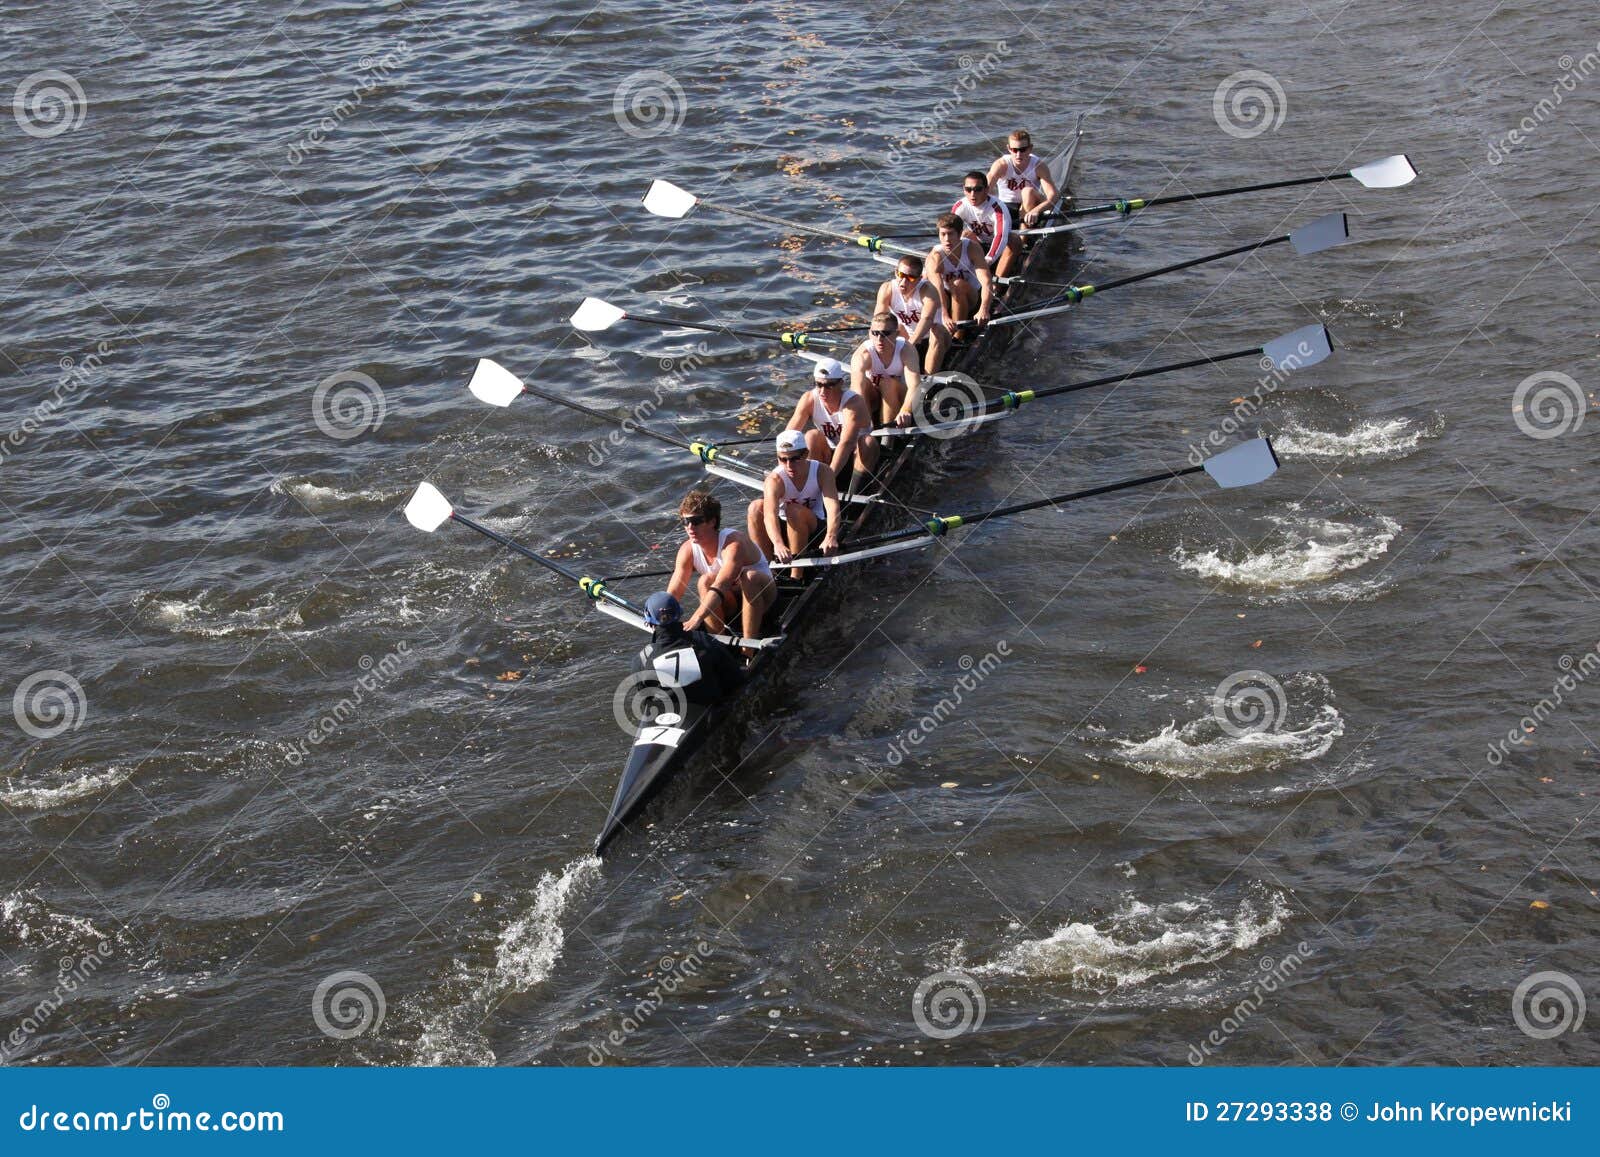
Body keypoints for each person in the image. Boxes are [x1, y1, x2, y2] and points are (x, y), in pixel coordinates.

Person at [667, 489, 776, 648]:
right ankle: (719, 647)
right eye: (685, 522)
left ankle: (748, 650)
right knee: (704, 581)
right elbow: (674, 592)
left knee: (749, 576)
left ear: (712, 521)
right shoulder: (687, 550)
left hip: (764, 597)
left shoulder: (733, 543)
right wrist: (661, 616)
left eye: (696, 521)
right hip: (732, 604)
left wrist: (697, 618)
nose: (690, 527)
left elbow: (722, 584)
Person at [747, 430, 842, 579]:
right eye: (783, 459)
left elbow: (833, 507)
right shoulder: (774, 480)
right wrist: (778, 543)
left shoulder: (822, 471)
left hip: (814, 527)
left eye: (794, 459)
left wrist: (831, 536)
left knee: (793, 511)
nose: (789, 465)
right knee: (755, 507)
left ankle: (796, 575)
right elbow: (769, 516)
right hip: (786, 528)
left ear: (805, 454)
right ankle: (767, 571)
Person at [631, 591, 745, 704]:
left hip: (670, 716)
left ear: (649, 623)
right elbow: (736, 679)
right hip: (711, 710)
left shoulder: (641, 660)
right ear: (679, 614)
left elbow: (645, 700)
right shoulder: (704, 641)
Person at [783, 357, 879, 481]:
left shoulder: (853, 403)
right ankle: (809, 483)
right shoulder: (808, 399)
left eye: (829, 385)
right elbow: (788, 437)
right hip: (830, 453)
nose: (823, 391)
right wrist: (782, 474)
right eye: (819, 384)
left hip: (857, 455)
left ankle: (858, 488)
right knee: (811, 436)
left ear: (840, 384)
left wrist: (829, 479)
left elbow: (846, 443)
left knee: (868, 442)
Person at [873, 254, 950, 373]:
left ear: (919, 279)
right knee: (892, 329)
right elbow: (877, 322)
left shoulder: (928, 291)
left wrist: (909, 345)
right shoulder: (887, 289)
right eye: (901, 275)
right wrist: (874, 348)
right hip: (908, 338)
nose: (904, 282)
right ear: (895, 272)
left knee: (936, 330)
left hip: (933, 339)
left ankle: (927, 380)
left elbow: (927, 319)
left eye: (910, 278)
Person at [850, 310, 923, 428]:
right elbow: (856, 387)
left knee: (887, 383)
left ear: (896, 334)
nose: (879, 339)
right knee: (863, 383)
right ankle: (865, 428)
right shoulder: (863, 354)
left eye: (885, 333)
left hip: (900, 397)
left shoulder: (906, 350)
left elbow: (915, 386)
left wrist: (905, 410)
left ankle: (888, 438)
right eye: (875, 333)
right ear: (869, 333)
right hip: (875, 398)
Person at [924, 212, 994, 333]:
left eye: (950, 234)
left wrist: (984, 308)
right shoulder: (935, 257)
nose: (946, 240)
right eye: (943, 234)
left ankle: (957, 335)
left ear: (960, 234)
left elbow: (986, 281)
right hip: (946, 298)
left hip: (972, 296)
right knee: (925, 283)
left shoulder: (972, 248)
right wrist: (944, 315)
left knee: (957, 285)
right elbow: (937, 288)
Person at [986, 128, 1059, 229]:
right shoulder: (1001, 165)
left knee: (1027, 192)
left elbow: (1054, 196)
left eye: (1022, 150)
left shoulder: (1039, 166)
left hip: (1032, 205)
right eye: (1014, 150)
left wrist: (1036, 210)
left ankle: (1023, 240)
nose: (1018, 154)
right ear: (1008, 148)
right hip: (1008, 207)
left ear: (1030, 148)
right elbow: (985, 190)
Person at [950, 169, 1018, 277]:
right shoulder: (960, 206)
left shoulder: (997, 208)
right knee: (964, 234)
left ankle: (997, 283)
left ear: (986, 190)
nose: (972, 194)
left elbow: (1000, 236)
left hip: (1001, 246)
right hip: (979, 244)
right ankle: (963, 271)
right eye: (968, 189)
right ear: (964, 190)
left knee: (1014, 239)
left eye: (978, 189)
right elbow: (949, 231)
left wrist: (988, 260)